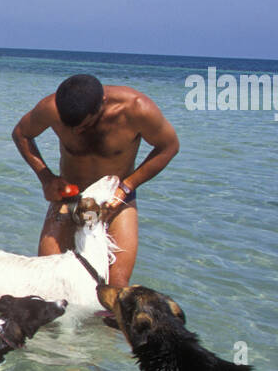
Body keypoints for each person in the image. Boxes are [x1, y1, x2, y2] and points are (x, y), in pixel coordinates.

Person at [11, 74, 179, 288]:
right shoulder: (50, 108)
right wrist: (46, 178)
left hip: (115, 200)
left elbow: (169, 146)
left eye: (82, 125)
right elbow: (21, 134)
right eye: (69, 126)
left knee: (116, 286)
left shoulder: (136, 109)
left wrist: (127, 186)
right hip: (69, 196)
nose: (75, 132)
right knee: (48, 277)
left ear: (102, 105)